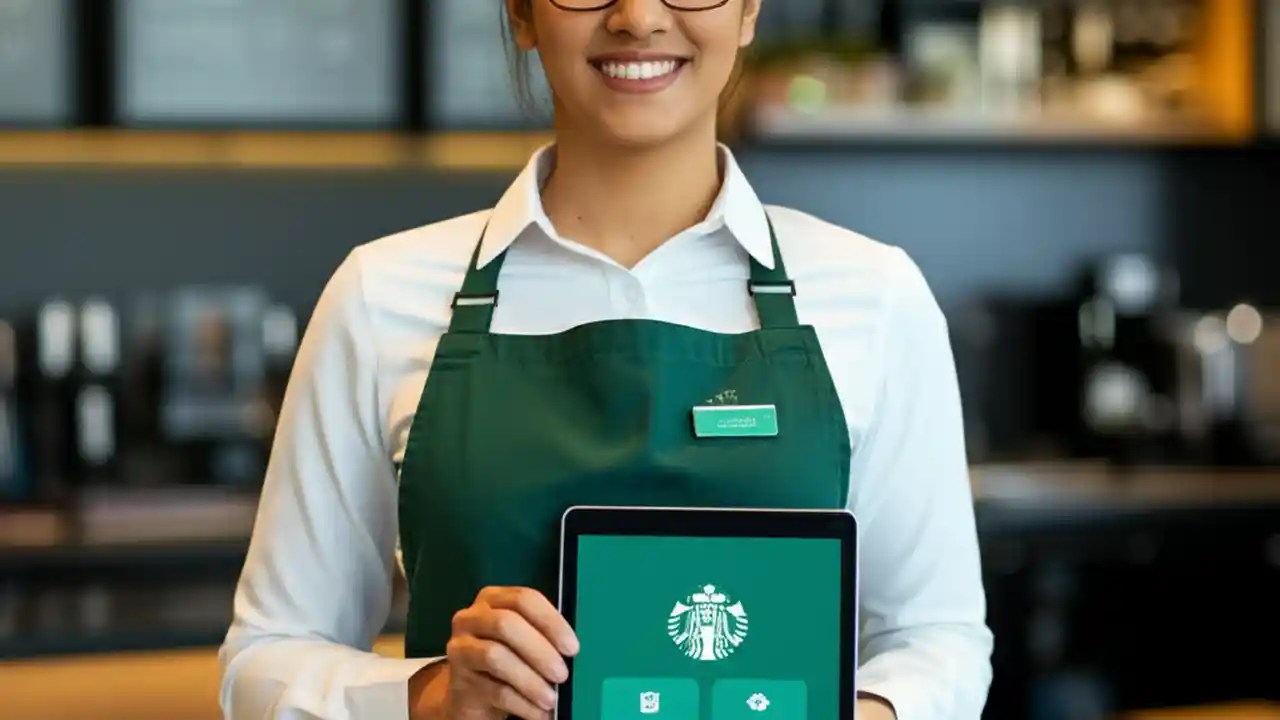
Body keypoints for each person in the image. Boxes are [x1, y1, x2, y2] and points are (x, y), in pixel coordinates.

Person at [218, 0, 993, 718]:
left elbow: (939, 640)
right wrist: (429, 696)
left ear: (750, 9)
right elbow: (259, 662)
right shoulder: (378, 296)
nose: (638, 16)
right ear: (521, 13)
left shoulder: (874, 296)